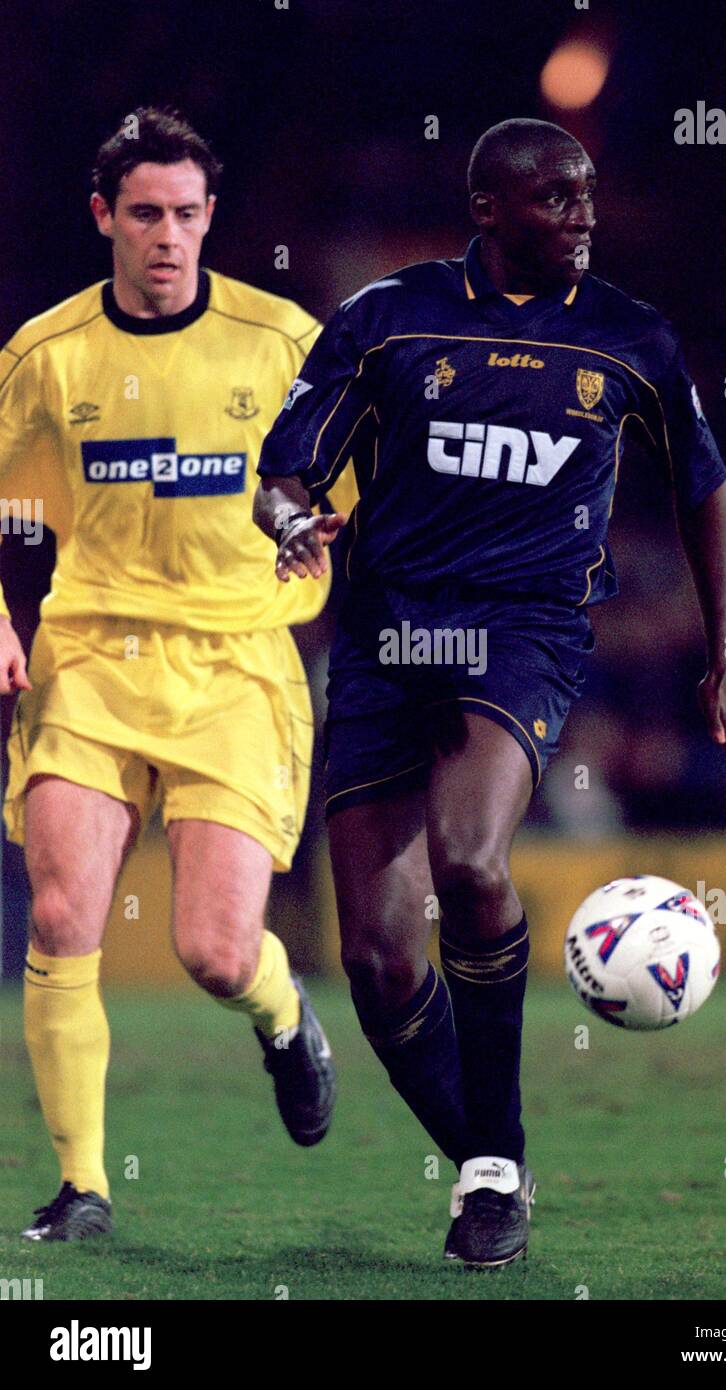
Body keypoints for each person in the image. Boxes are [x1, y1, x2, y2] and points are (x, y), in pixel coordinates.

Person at [253, 117, 726, 1268]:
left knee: (469, 859)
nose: (583, 215)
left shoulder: (632, 339)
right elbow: (283, 472)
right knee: (379, 964)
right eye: (555, 199)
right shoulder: (388, 318)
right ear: (488, 209)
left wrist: (722, 659)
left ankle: (487, 1167)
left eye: (588, 194)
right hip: (387, 638)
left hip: (521, 633)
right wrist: (291, 523)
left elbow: (703, 488)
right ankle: (499, 1166)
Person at [0, 107, 356, 1242]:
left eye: (188, 215)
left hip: (233, 662)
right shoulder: (45, 356)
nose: (168, 236)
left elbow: (342, 489)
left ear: (211, 218)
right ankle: (84, 1185)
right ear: (104, 216)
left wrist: (318, 526)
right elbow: (4, 506)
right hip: (91, 657)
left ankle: (283, 1011)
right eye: (145, 214)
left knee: (209, 949)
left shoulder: (283, 341)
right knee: (61, 917)